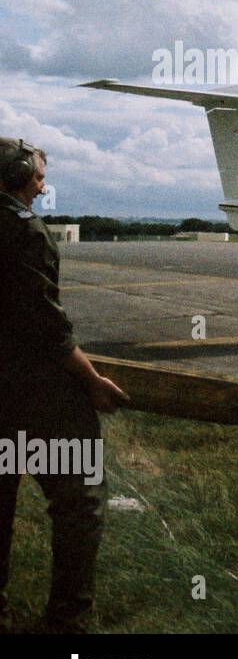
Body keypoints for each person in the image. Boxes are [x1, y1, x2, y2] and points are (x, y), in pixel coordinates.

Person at [0, 137, 128, 633]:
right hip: (33, 393)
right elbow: (45, 327)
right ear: (15, 176)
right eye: (36, 177)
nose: (42, 186)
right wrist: (92, 380)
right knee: (79, 500)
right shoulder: (23, 230)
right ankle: (67, 622)